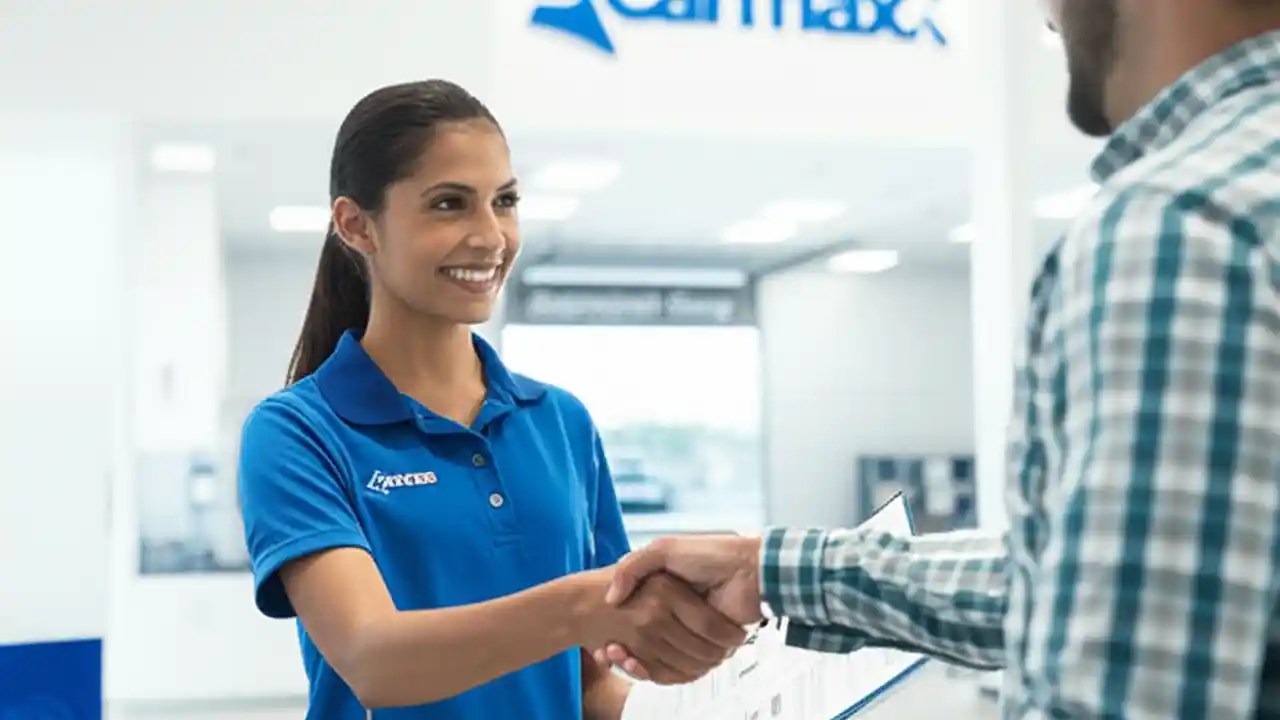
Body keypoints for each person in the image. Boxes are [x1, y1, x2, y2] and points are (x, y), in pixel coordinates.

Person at [601, 2, 1280, 717]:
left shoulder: (1182, 228)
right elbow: (1102, 586)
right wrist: (767, 568)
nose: (1046, 18)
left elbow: (1131, 688)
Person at [236, 79, 747, 720]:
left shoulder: (561, 422)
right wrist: (584, 606)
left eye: (504, 201)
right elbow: (374, 659)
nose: (492, 236)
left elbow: (589, 684)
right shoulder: (297, 433)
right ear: (356, 225)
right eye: (449, 204)